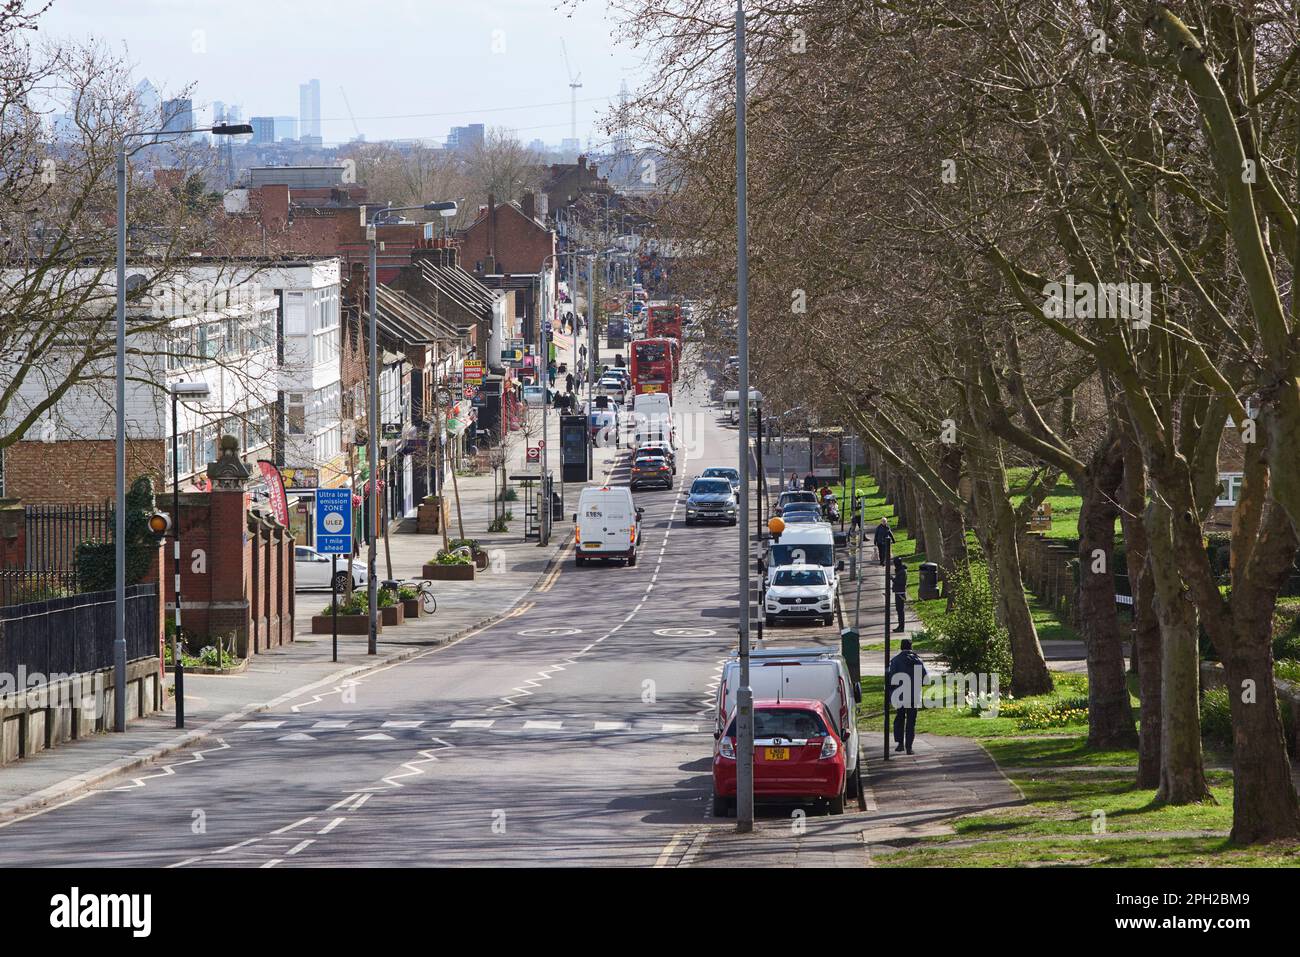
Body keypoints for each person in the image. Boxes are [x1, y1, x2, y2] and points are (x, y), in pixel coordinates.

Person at [887, 638, 927, 754]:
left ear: (901, 647)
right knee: (911, 721)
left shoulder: (895, 661)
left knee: (899, 718)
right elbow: (925, 678)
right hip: (913, 695)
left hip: (899, 695)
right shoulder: (918, 660)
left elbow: (891, 679)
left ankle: (900, 743)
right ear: (911, 647)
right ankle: (909, 747)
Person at [892, 556, 908, 631]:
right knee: (899, 610)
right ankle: (900, 626)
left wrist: (893, 579)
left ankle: (901, 627)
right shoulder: (900, 570)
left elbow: (902, 582)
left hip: (900, 593)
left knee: (900, 611)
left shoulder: (902, 572)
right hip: (898, 592)